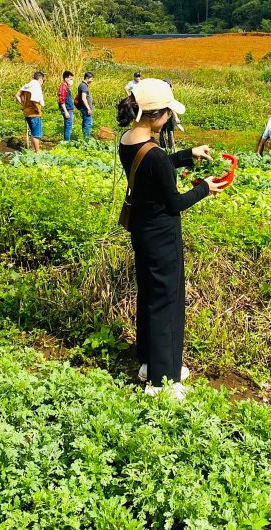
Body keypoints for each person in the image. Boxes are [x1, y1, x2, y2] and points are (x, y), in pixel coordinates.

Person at [118, 78, 227, 400]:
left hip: (142, 229)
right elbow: (175, 202)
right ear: (157, 115)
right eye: (168, 114)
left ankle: (150, 363)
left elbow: (156, 164)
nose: (170, 120)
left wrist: (187, 154)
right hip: (162, 234)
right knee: (166, 300)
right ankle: (161, 381)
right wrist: (205, 187)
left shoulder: (128, 140)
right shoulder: (153, 154)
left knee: (151, 295)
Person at [15, 71, 45, 153]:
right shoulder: (36, 86)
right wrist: (39, 110)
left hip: (27, 112)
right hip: (34, 113)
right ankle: (37, 152)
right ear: (40, 79)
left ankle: (35, 150)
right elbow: (35, 100)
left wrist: (23, 104)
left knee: (33, 132)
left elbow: (17, 95)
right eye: (43, 80)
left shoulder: (27, 85)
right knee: (36, 134)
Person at [159, 80, 183, 152]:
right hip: (161, 116)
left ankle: (171, 150)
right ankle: (163, 149)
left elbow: (172, 108)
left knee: (170, 133)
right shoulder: (159, 94)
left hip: (169, 117)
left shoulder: (170, 95)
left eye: (168, 86)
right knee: (162, 133)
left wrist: (176, 118)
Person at [58, 69, 76, 142]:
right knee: (68, 127)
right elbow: (61, 100)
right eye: (70, 79)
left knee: (68, 127)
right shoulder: (63, 87)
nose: (72, 81)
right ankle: (66, 143)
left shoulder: (66, 87)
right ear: (66, 79)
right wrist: (65, 111)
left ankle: (66, 142)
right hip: (67, 110)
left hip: (69, 110)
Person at [77, 71, 95, 140]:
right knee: (87, 124)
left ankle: (84, 137)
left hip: (83, 108)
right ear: (87, 78)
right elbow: (84, 98)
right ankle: (87, 139)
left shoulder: (81, 85)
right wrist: (88, 109)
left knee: (85, 123)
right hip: (85, 109)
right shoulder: (84, 86)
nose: (92, 80)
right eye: (91, 79)